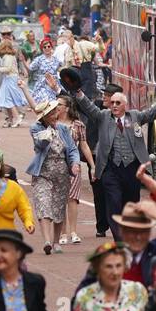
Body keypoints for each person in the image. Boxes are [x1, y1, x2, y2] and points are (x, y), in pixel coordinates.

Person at [75, 82, 156, 238]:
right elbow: (88, 107)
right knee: (113, 201)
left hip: (132, 168)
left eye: (118, 103)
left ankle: (129, 231)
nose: (114, 105)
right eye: (112, 103)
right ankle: (119, 239)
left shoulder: (135, 116)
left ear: (125, 105)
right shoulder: (103, 117)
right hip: (111, 168)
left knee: (130, 203)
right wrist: (78, 91)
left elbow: (152, 113)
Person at [68, 242, 151, 311]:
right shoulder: (85, 296)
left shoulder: (137, 291)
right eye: (108, 266)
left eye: (118, 266)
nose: (115, 272)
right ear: (98, 268)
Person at [25, 99, 81, 254]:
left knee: (58, 207)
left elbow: (72, 150)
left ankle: (57, 241)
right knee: (43, 203)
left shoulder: (63, 129)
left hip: (62, 173)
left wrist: (75, 163)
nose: (54, 115)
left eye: (55, 112)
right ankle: (47, 241)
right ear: (43, 116)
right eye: (50, 113)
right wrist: (46, 136)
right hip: (43, 172)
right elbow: (39, 145)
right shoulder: (36, 128)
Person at [57, 97, 94, 247]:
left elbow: (84, 146)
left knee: (72, 198)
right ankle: (62, 232)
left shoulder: (78, 125)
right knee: (60, 198)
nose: (56, 107)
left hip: (74, 165)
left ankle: (73, 232)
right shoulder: (52, 123)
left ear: (67, 108)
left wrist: (92, 165)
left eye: (59, 105)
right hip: (57, 164)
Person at [0, 40, 27, 128]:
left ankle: (17, 118)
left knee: (8, 100)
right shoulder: (11, 56)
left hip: (10, 79)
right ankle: (10, 120)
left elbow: (7, 69)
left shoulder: (7, 57)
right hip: (10, 79)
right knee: (7, 100)